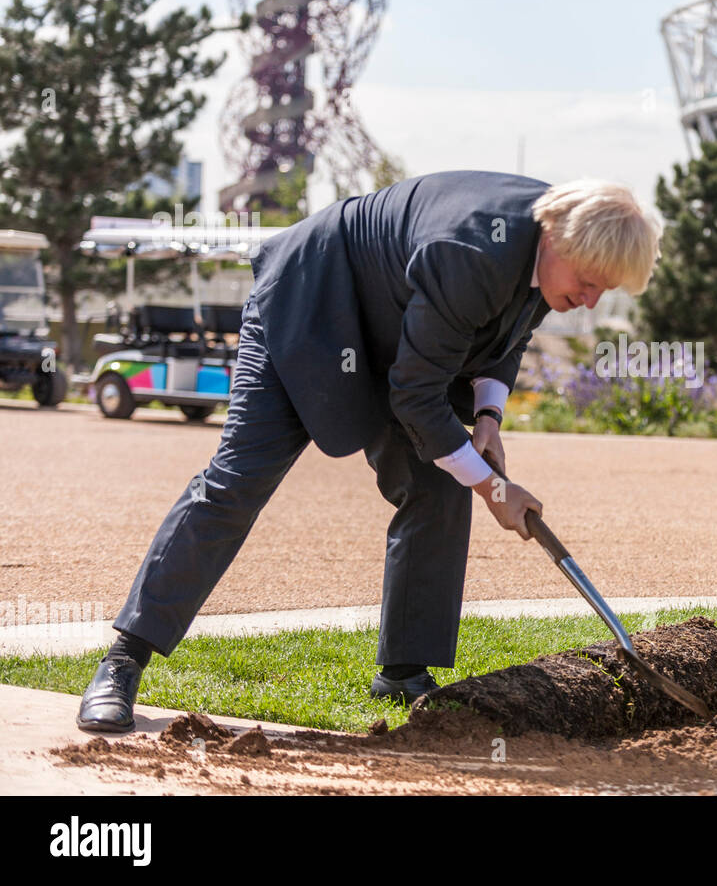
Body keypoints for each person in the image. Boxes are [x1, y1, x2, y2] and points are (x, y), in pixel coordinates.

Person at [77, 172, 661, 732]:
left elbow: (512, 332)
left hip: (399, 341)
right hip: (309, 309)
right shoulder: (473, 248)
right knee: (237, 482)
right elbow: (416, 396)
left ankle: (404, 672)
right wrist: (495, 488)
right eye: (587, 280)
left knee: (438, 482)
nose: (589, 300)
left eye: (603, 290)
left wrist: (487, 416)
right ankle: (124, 659)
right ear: (555, 233)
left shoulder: (549, 250)